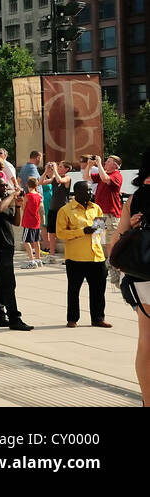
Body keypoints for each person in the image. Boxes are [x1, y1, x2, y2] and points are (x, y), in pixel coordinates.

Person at [112, 159, 149, 406]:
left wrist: (134, 229)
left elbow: (114, 245)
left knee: (146, 339)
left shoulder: (135, 199)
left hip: (142, 277)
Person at [56, 181, 112, 328]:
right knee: (74, 290)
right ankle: (72, 319)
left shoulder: (96, 208)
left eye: (90, 190)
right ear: (77, 192)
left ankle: (98, 318)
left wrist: (98, 232)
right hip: (76, 257)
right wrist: (82, 231)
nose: (90, 193)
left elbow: (101, 231)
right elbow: (60, 233)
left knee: (99, 290)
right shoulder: (65, 210)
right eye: (87, 190)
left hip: (96, 256)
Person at [0, 175, 32, 330]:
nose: (5, 188)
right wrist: (13, 194)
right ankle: (14, 319)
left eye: (6, 185)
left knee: (0, 282)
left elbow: (16, 222)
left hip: (7, 246)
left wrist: (18, 206)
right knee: (8, 283)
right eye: (2, 185)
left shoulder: (5, 203)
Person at [89, 154, 125, 287]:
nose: (105, 162)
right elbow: (87, 177)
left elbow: (105, 179)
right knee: (98, 240)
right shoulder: (103, 173)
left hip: (111, 215)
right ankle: (101, 267)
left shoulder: (117, 175)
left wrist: (98, 164)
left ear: (115, 165)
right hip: (99, 214)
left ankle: (114, 270)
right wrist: (89, 165)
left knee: (111, 243)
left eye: (108, 161)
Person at [20, 176, 44, 268]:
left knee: (26, 241)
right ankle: (38, 259)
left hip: (28, 220)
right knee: (36, 240)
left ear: (27, 185)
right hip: (36, 220)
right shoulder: (39, 195)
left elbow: (23, 207)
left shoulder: (28, 196)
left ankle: (31, 260)